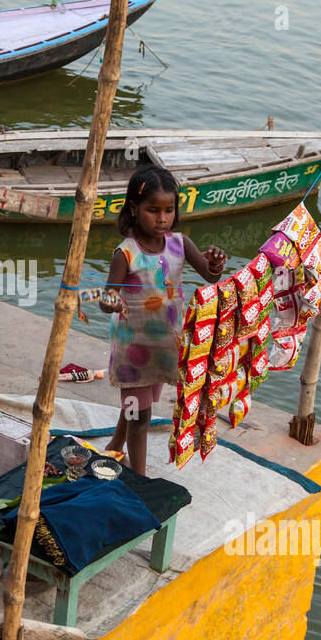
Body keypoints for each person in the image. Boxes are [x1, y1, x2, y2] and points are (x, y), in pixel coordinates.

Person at [100, 164, 226, 475]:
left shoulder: (180, 244)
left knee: (140, 401)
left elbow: (210, 275)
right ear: (134, 208)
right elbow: (106, 299)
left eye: (169, 210)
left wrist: (217, 264)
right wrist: (111, 302)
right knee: (140, 416)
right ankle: (139, 480)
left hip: (165, 346)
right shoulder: (125, 253)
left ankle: (116, 445)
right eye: (153, 210)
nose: (162, 218)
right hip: (134, 350)